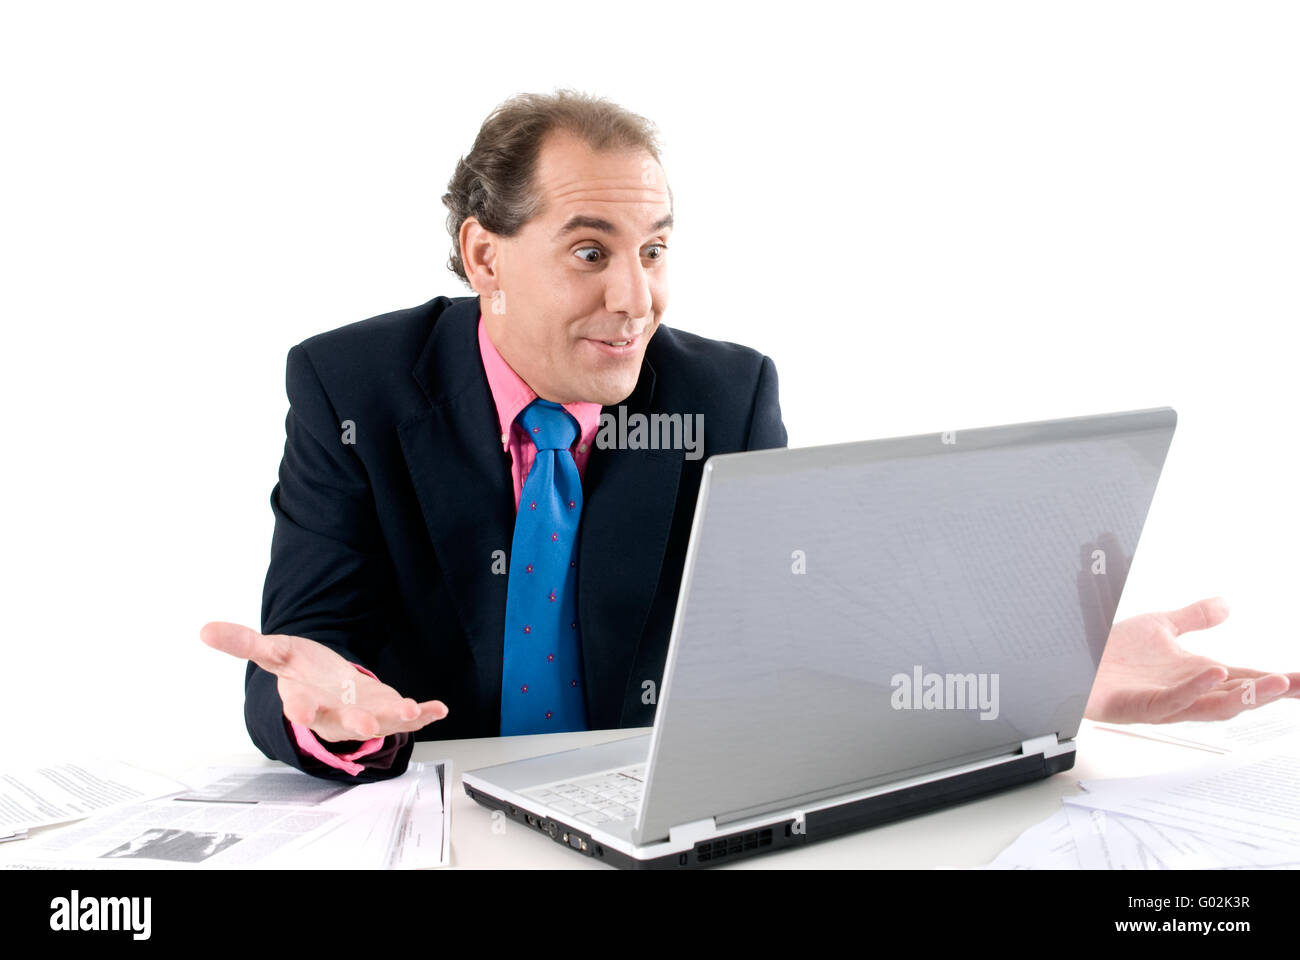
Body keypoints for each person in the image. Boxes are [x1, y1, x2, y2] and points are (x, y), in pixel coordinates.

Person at [201, 90, 1298, 785]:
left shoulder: (721, 394)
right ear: (484, 257)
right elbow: (298, 654)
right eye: (591, 251)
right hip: (429, 822)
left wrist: (1056, 673)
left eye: (656, 248)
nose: (637, 298)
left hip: (639, 822)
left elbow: (816, 630)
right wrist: (329, 707)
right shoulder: (351, 384)